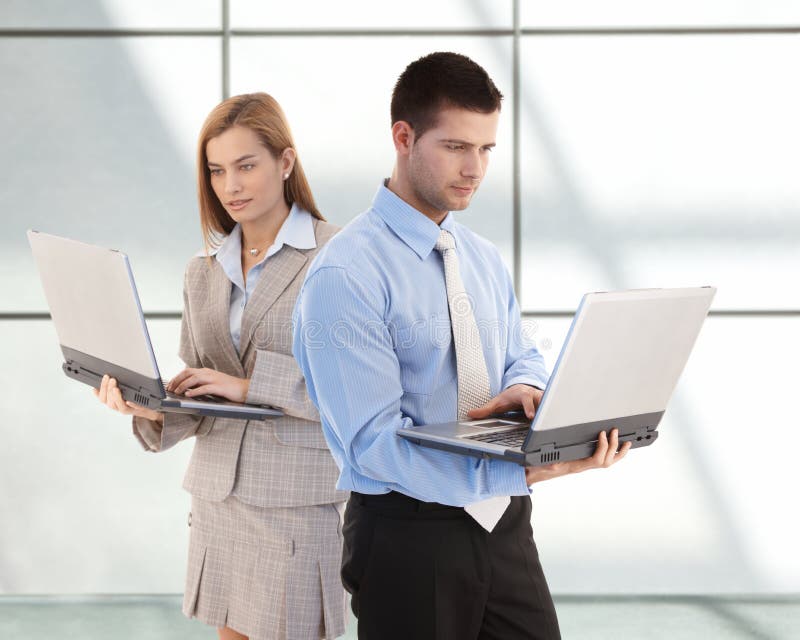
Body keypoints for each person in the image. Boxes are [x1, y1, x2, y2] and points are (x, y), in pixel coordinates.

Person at [292, 52, 632, 640]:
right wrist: (525, 472)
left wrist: (528, 388)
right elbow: (374, 447)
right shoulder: (346, 275)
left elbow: (520, 351)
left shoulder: (480, 257)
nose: (474, 167)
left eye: (486, 149)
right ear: (404, 136)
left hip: (503, 526)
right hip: (408, 537)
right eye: (455, 147)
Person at [94, 92, 348, 640]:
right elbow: (209, 397)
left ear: (285, 162)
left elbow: (357, 389)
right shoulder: (202, 273)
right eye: (216, 171)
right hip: (219, 496)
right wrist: (156, 408)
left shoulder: (339, 256)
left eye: (246, 166)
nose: (230, 185)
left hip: (295, 500)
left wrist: (250, 385)